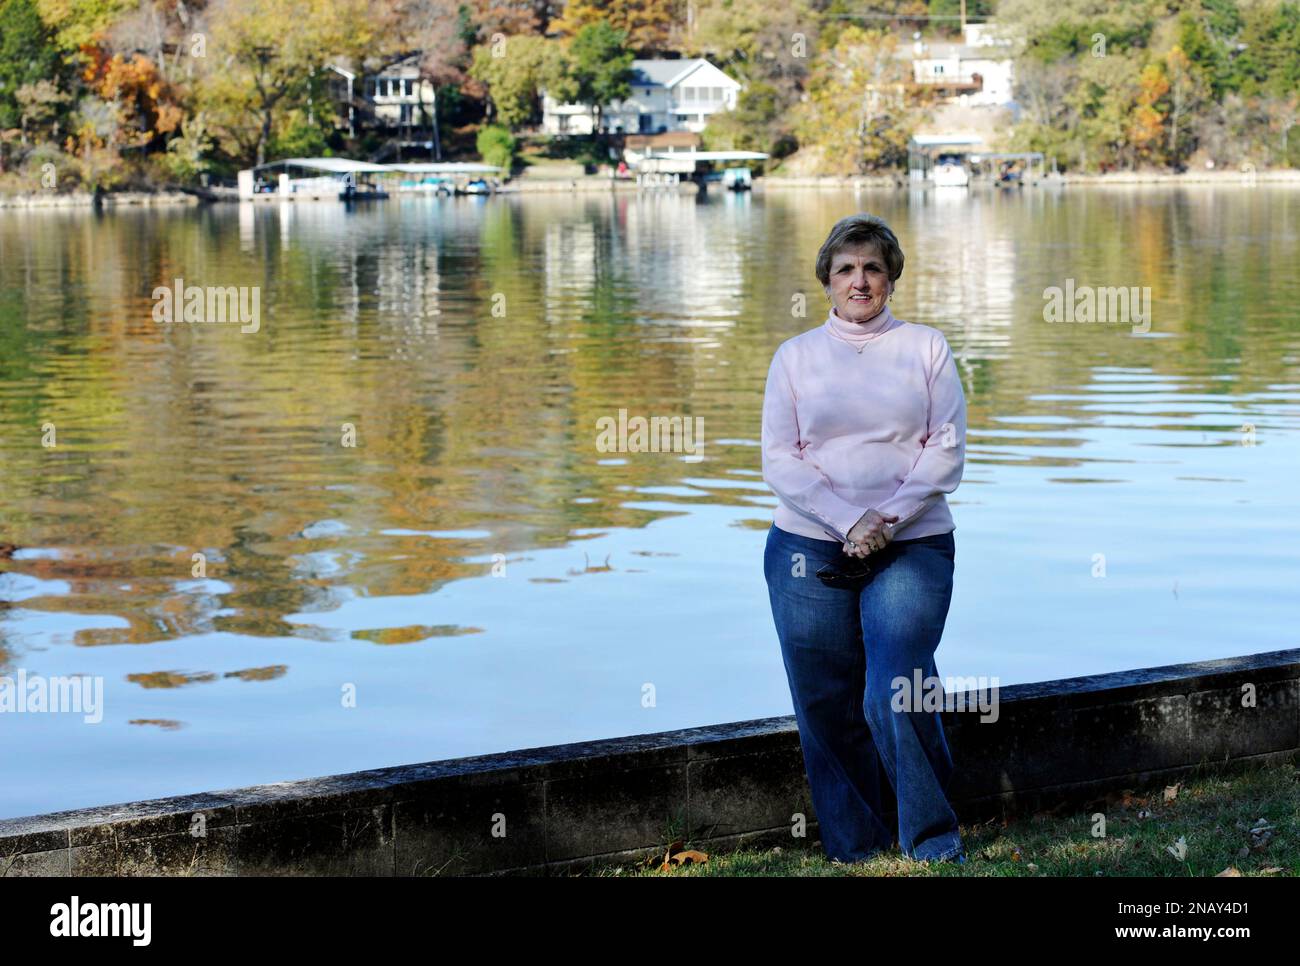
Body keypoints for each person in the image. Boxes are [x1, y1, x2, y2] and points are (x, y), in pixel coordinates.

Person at [760, 212, 968, 865]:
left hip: (912, 545)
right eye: (846, 268)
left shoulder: (926, 348)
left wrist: (886, 520)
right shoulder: (793, 358)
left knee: (896, 687)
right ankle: (857, 846)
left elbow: (947, 451)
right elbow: (779, 457)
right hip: (807, 546)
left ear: (891, 278)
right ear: (826, 279)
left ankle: (933, 839)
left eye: (872, 267)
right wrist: (847, 521)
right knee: (824, 698)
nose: (859, 280)